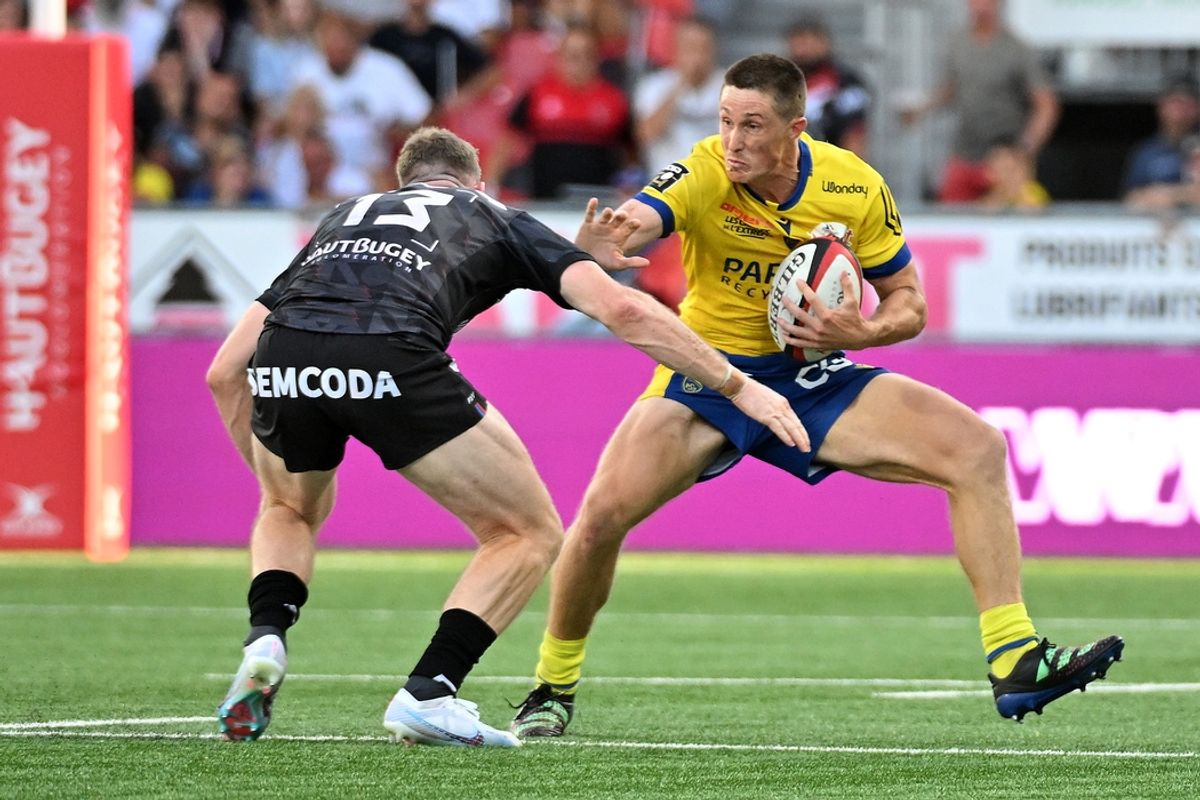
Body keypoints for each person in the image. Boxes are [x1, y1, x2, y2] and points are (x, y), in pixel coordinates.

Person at [510, 53, 1124, 738]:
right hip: (707, 378)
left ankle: (1015, 659)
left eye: (751, 125)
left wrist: (862, 328)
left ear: (795, 129)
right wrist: (602, 240)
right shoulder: (706, 169)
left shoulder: (853, 188)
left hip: (811, 378)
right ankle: (551, 687)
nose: (733, 140)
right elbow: (645, 214)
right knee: (596, 521)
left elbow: (909, 303)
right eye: (724, 121)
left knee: (978, 449)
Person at [205, 126, 808, 746]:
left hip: (285, 356)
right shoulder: (490, 214)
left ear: (402, 181)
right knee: (528, 531)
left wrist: (274, 469)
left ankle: (267, 638)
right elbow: (624, 310)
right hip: (393, 353)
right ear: (475, 182)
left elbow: (225, 371)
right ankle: (430, 691)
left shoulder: (344, 217)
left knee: (286, 509)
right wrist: (739, 387)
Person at [900, 0, 1059, 203]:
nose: (981, 7)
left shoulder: (1017, 49)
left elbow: (1046, 104)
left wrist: (1025, 149)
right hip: (965, 151)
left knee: (1008, 215)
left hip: (1003, 157)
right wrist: (922, 108)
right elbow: (951, 88)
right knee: (951, 218)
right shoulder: (958, 42)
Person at [784, 14, 870, 159]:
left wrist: (849, 173)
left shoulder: (847, 82)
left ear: (825, 43)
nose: (804, 48)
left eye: (811, 40)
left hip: (829, 164)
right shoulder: (778, 81)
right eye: (799, 41)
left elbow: (855, 134)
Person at [1122, 76, 1200, 210]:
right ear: (1161, 107)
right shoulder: (1146, 151)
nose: (1180, 111)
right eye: (1175, 103)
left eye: (1188, 104)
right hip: (1156, 226)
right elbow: (1129, 198)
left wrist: (1171, 195)